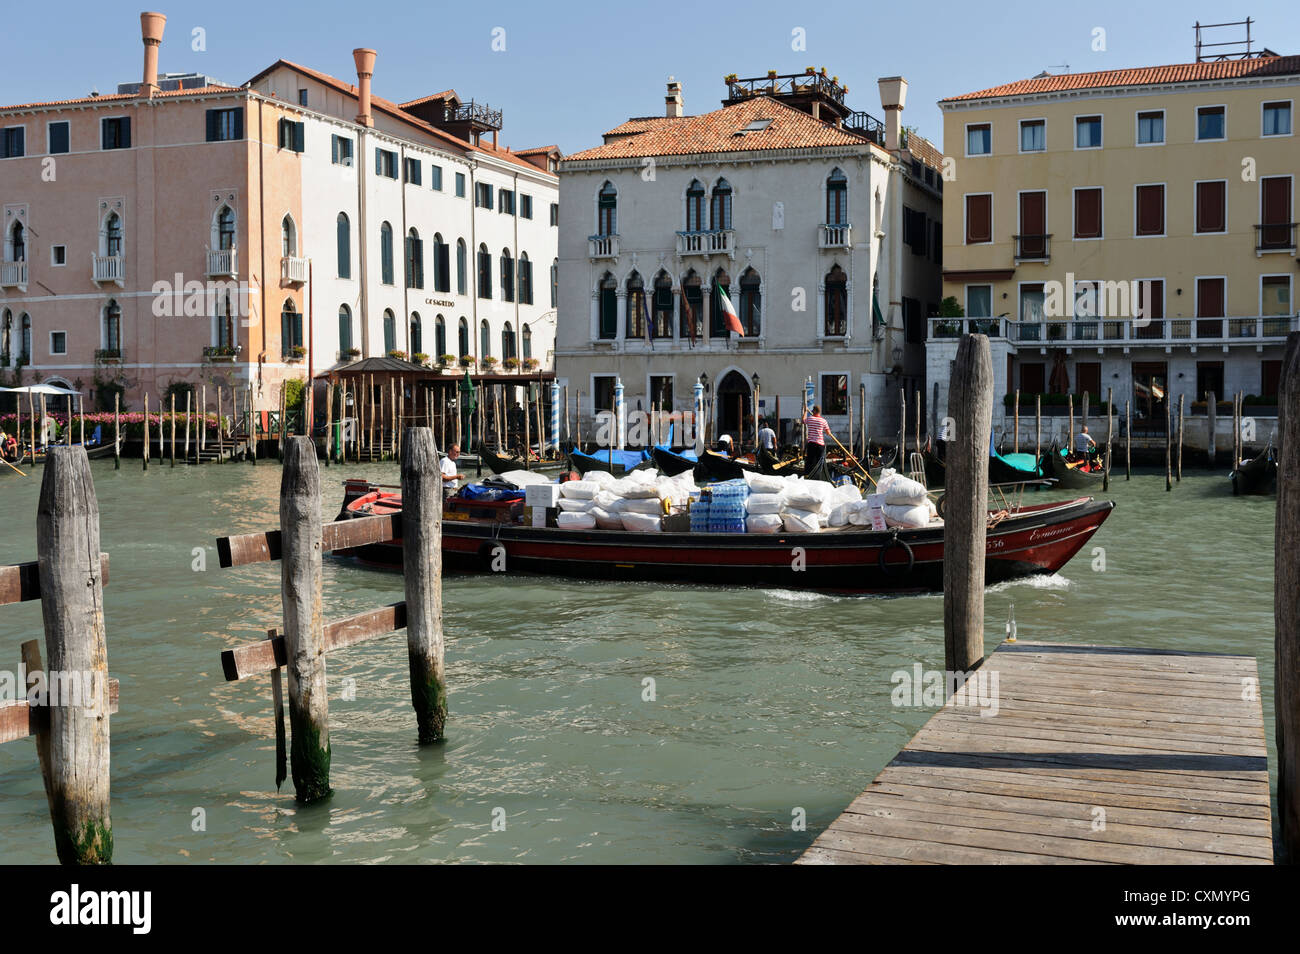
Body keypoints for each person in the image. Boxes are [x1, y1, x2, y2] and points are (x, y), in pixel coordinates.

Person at [803, 405, 828, 475]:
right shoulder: (823, 421)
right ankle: (818, 475)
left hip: (811, 443)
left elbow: (803, 421)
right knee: (819, 461)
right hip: (820, 444)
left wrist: (805, 411)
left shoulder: (810, 419)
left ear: (814, 411)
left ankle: (807, 475)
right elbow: (828, 432)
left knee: (809, 461)